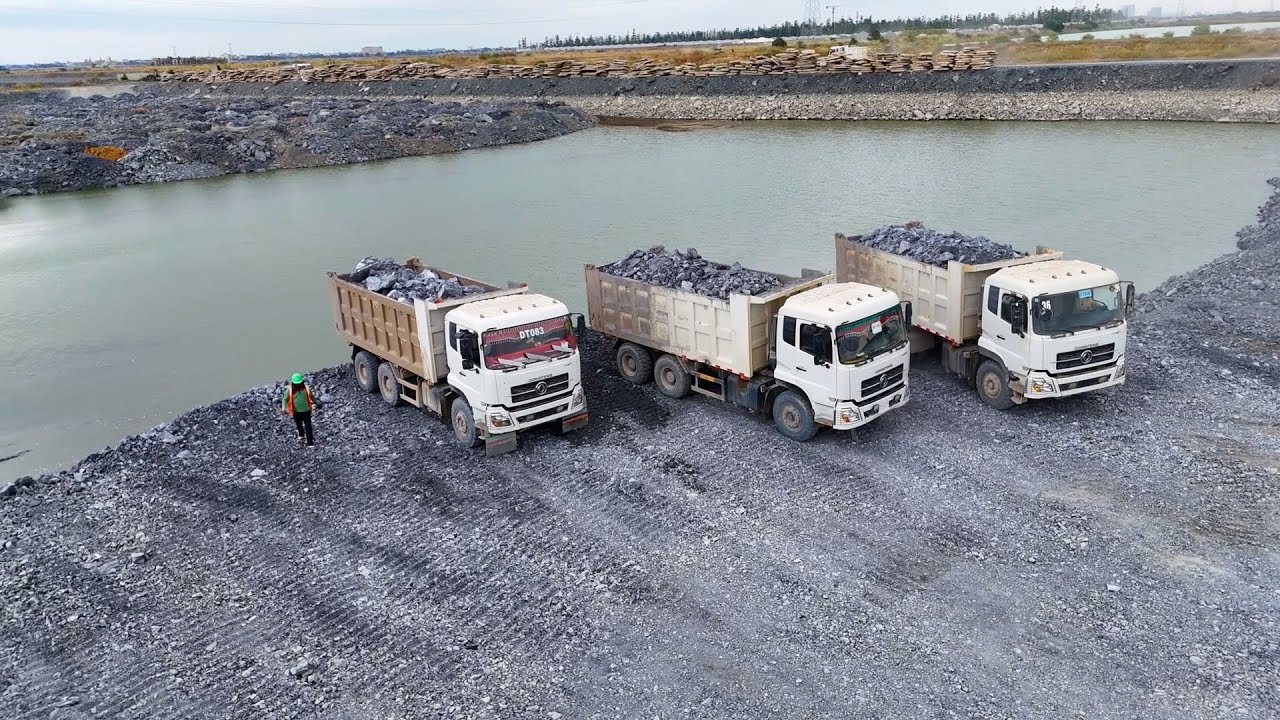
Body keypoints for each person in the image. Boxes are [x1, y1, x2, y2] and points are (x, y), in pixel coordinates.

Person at [281, 373, 317, 447]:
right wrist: (283, 409)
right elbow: (285, 399)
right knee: (299, 424)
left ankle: (310, 442)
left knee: (308, 426)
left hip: (306, 411)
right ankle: (301, 435)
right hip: (296, 411)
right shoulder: (290, 391)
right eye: (296, 384)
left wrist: (317, 403)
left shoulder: (306, 389)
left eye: (299, 383)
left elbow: (312, 397)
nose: (297, 385)